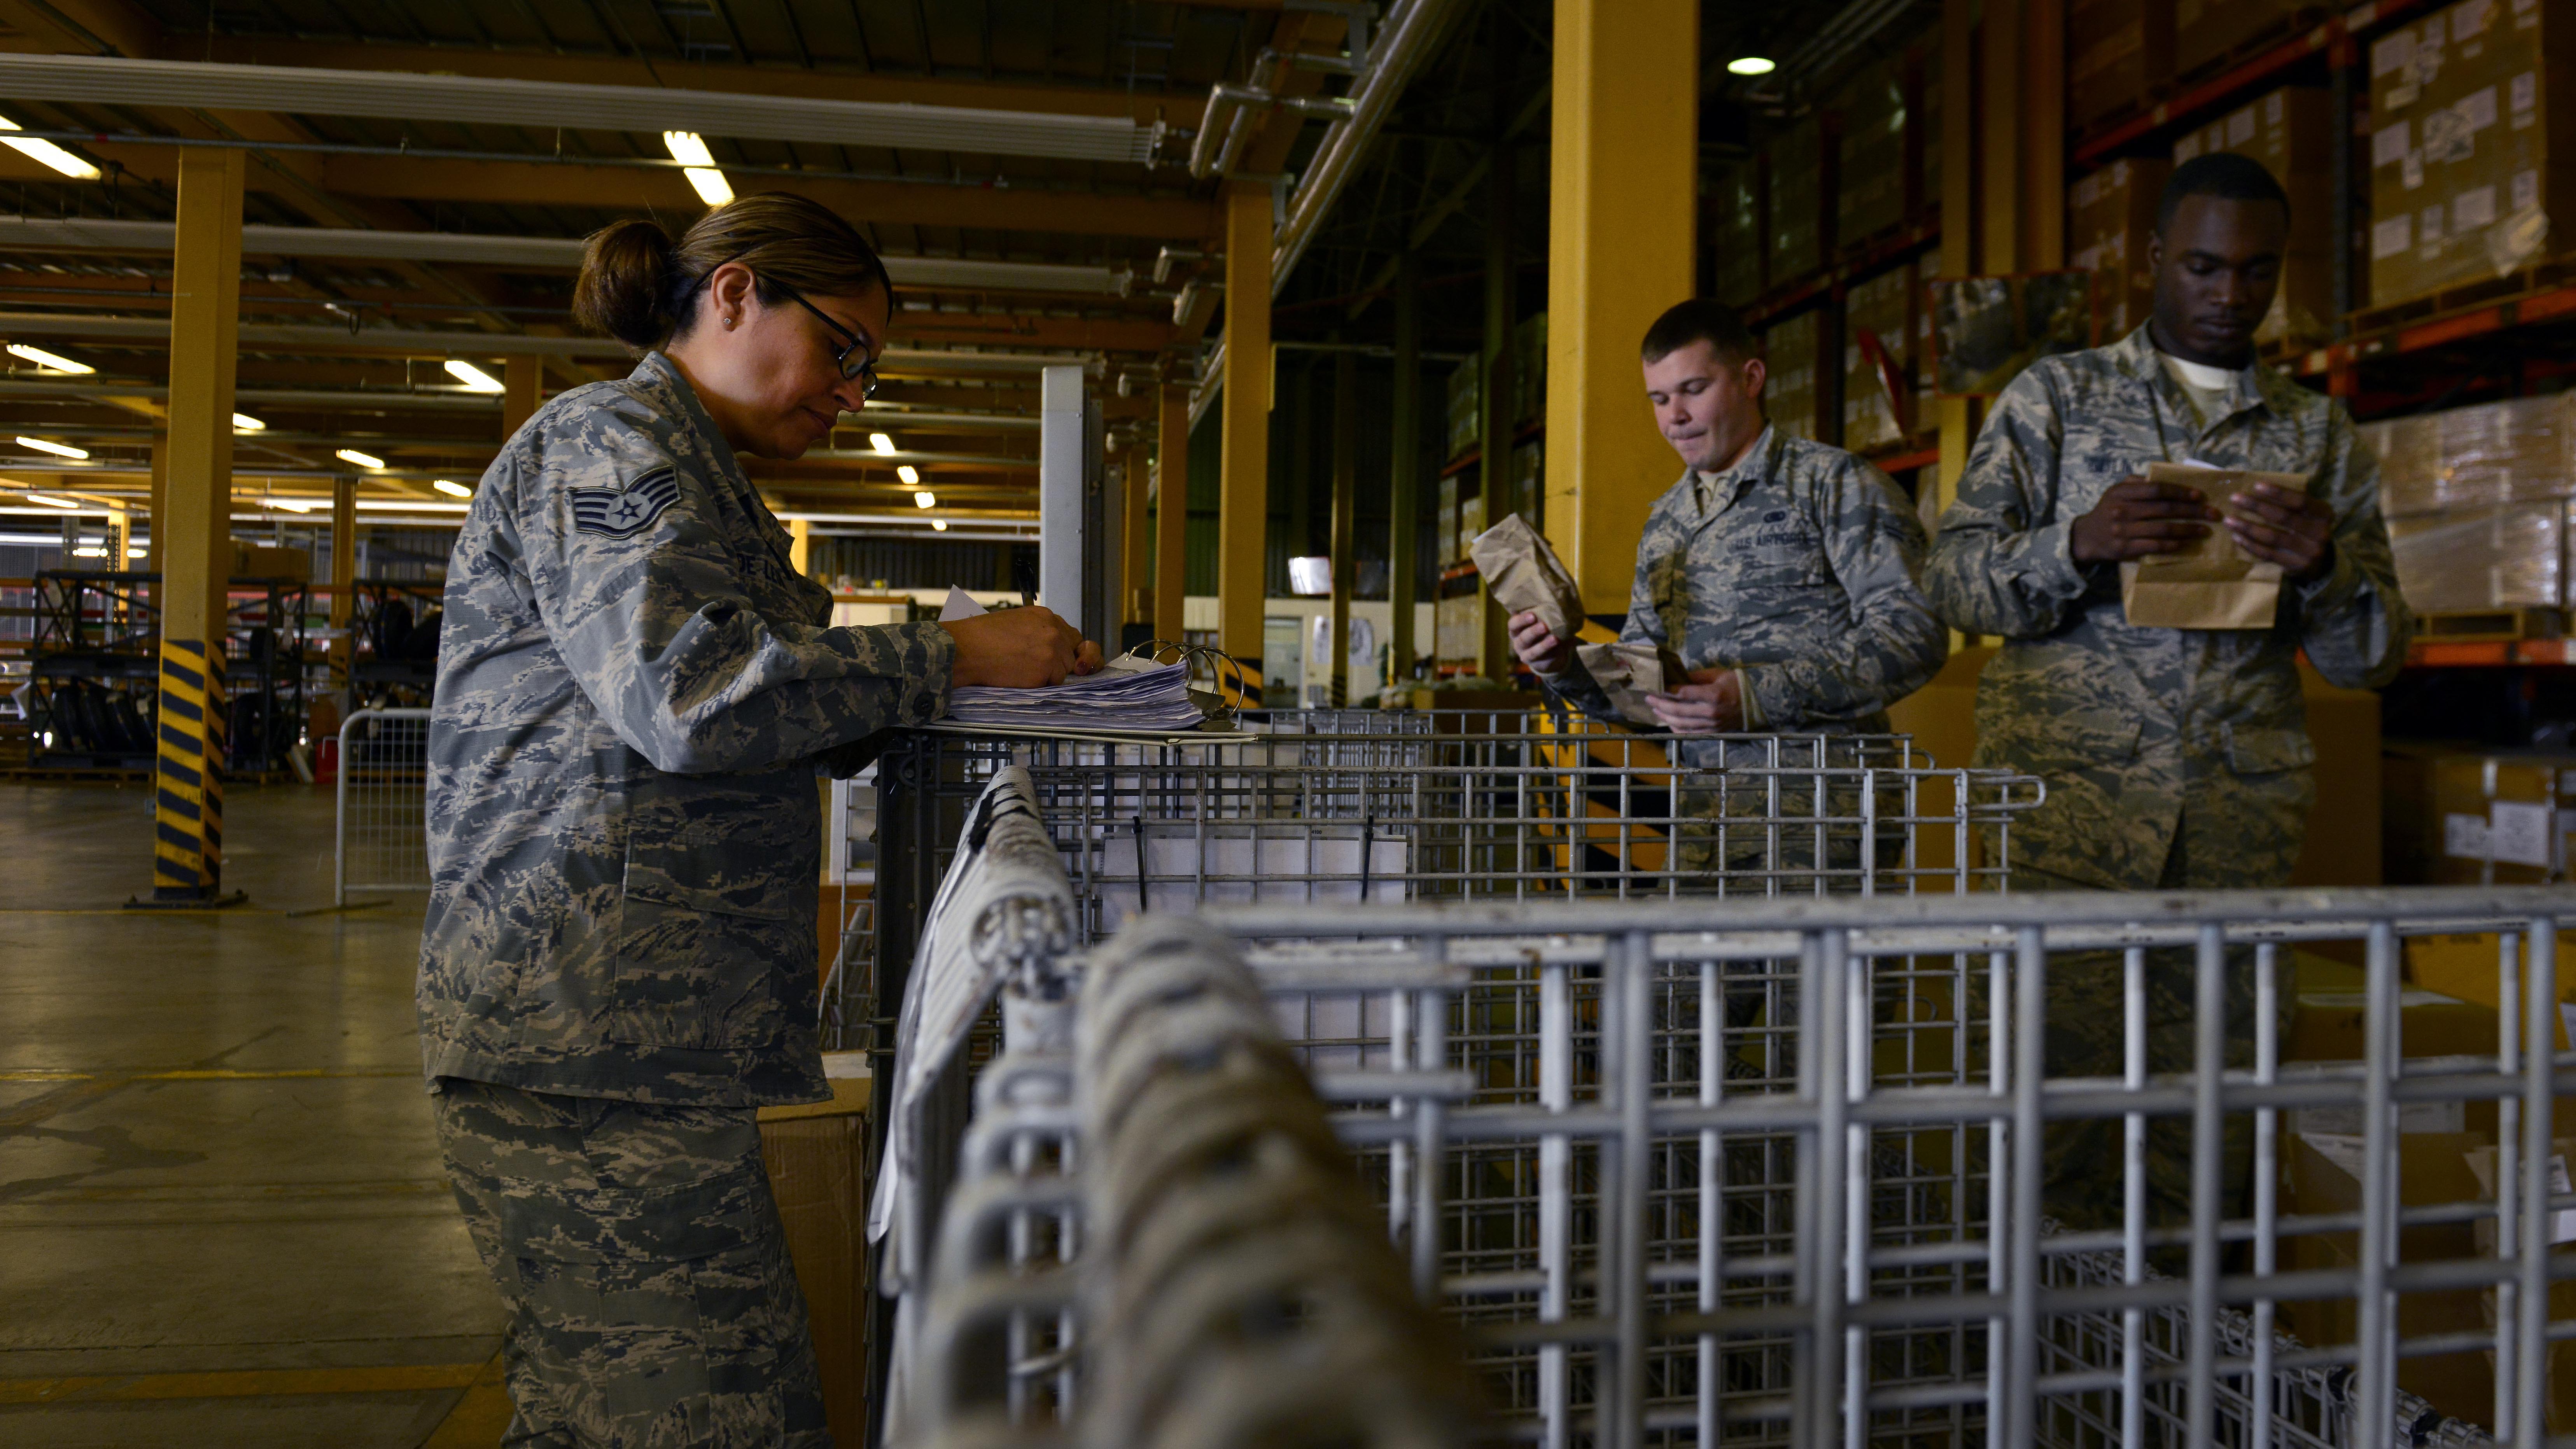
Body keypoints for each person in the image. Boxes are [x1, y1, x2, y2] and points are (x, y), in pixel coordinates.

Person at [417, 193, 1099, 1446]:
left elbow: (792, 704)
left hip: (651, 1037)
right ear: (733, 293)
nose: (850, 392)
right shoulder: (610, 444)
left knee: (635, 1413)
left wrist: (1009, 684)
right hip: (588, 1041)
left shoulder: (703, 479)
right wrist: (948, 652)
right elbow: (694, 694)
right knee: (699, 1419)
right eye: (844, 349)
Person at [1922, 153, 2410, 1233]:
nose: (2229, 294)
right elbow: (1950, 578)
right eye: (2201, 266)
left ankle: (2188, 1390)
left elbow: (2372, 659)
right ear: (2153, 259)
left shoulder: (2316, 436)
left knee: (2215, 1147)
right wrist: (2076, 543)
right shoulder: (2055, 398)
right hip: (2067, 840)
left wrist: (2328, 572)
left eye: (2255, 271)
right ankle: (2044, 1392)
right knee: (2052, 1133)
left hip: (2233, 844)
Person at [1506, 299, 1948, 887]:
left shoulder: (1833, 486)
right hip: (1705, 826)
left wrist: (1756, 696)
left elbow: (1917, 631)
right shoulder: (1667, 524)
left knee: (1817, 985)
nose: (1676, 417)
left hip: (1819, 828)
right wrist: (1562, 665)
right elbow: (1646, 696)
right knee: (1691, 983)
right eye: (1659, 400)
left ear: (1751, 379)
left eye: (1693, 389)